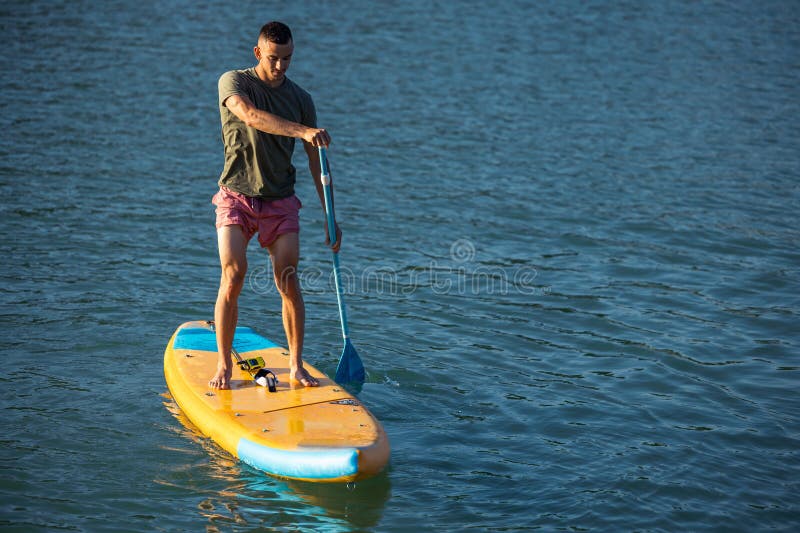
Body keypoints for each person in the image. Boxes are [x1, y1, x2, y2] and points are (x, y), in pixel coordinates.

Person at [209, 21, 340, 389]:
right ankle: (224, 365)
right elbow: (250, 116)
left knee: (288, 280)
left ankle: (297, 366)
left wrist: (330, 216)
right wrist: (302, 131)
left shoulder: (301, 100)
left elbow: (317, 162)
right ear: (257, 53)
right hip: (236, 196)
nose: (281, 66)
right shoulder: (233, 82)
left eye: (288, 58)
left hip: (281, 200)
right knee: (233, 274)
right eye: (273, 58)